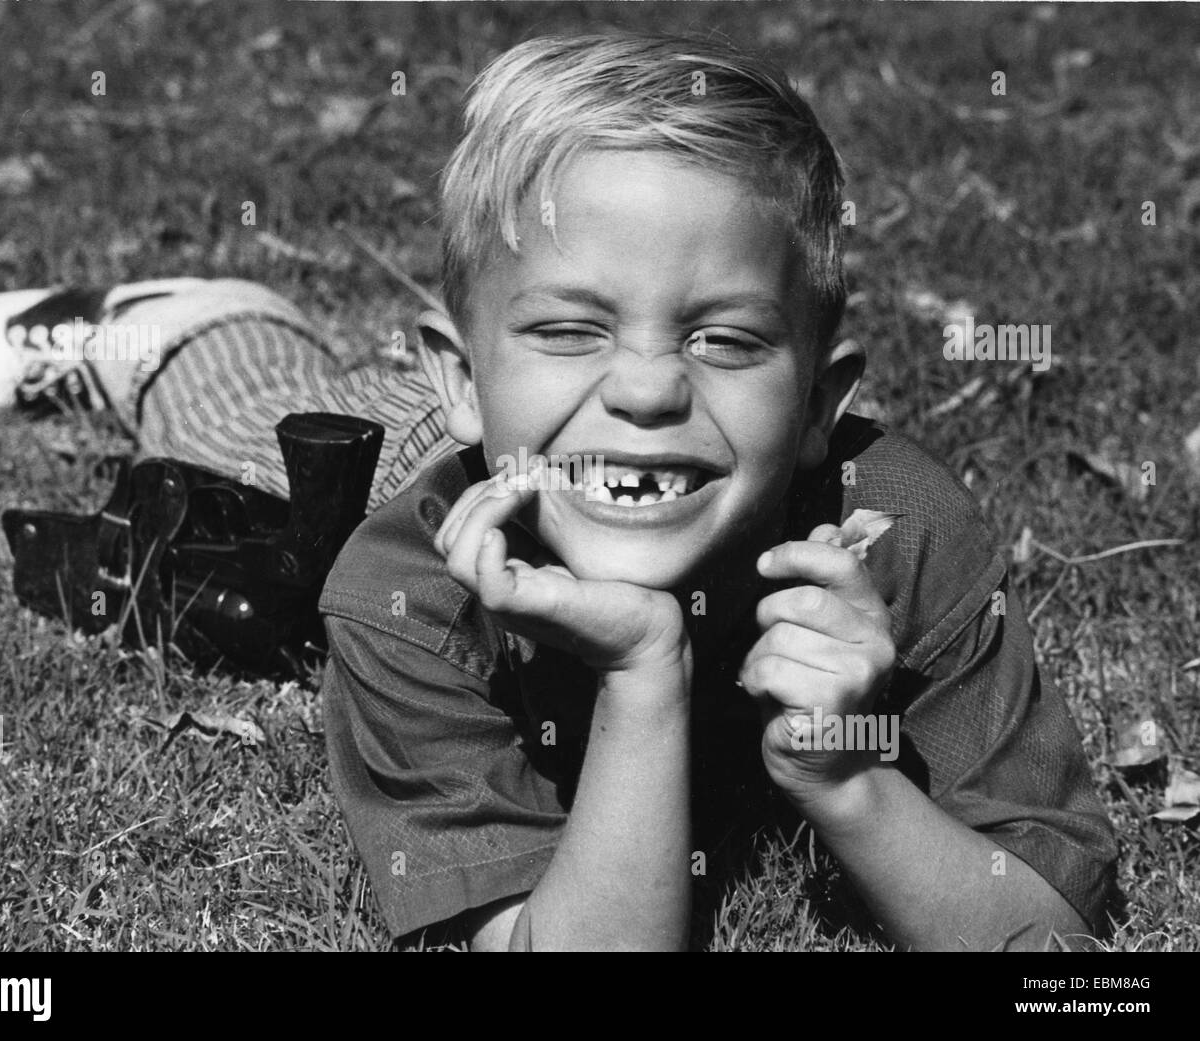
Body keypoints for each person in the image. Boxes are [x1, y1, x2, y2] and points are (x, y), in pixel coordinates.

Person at [315, 32, 1116, 951]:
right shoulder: (408, 597)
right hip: (449, 448)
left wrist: (846, 778)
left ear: (818, 401)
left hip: (558, 444)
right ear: (462, 379)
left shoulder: (895, 530)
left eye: (724, 341)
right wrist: (642, 671)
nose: (648, 389)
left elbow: (1062, 963)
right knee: (230, 405)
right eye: (571, 330)